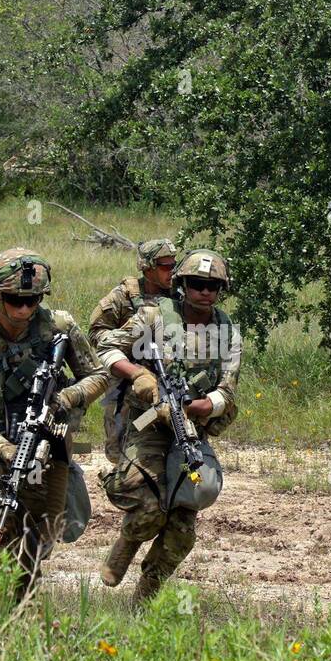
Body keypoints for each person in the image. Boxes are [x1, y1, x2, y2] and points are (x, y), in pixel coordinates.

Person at [0, 248, 109, 601]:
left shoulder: (59, 327)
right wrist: (5, 449)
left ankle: (19, 602)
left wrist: (64, 399)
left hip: (48, 444)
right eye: (14, 300)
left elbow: (98, 376)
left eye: (32, 301)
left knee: (41, 530)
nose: (23, 310)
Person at [96, 249, 242, 604]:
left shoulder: (227, 331)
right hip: (147, 420)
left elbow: (228, 387)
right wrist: (140, 375)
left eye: (212, 286)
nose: (204, 292)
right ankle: (128, 542)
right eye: (196, 284)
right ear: (182, 285)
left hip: (192, 426)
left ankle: (145, 597)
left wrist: (209, 404)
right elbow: (103, 347)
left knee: (183, 524)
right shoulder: (154, 316)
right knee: (147, 506)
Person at [87, 239, 177, 463]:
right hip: (129, 386)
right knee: (120, 449)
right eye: (166, 266)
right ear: (147, 267)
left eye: (174, 265)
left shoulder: (180, 296)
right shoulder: (124, 296)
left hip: (169, 381)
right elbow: (96, 334)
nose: (172, 272)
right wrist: (128, 347)